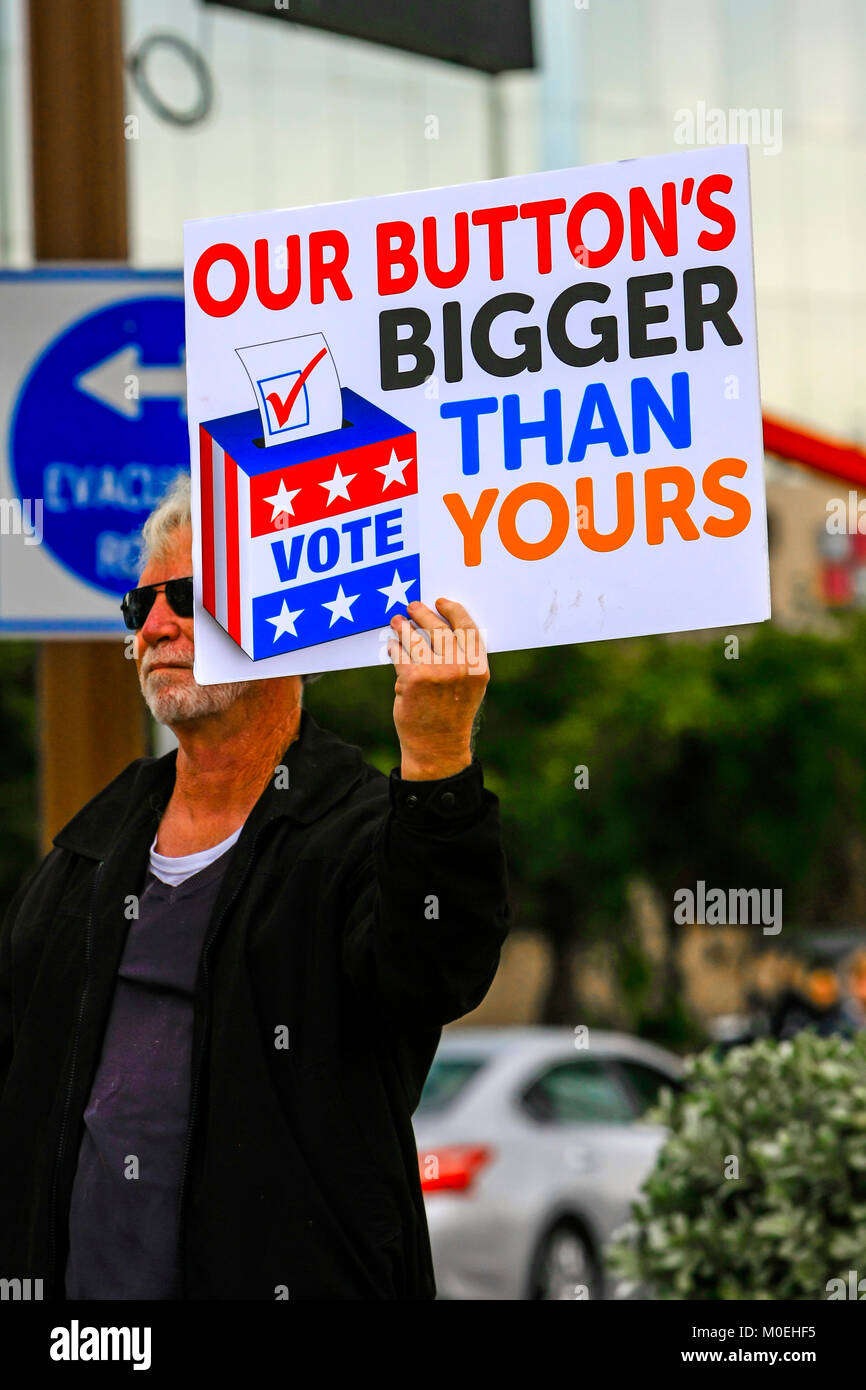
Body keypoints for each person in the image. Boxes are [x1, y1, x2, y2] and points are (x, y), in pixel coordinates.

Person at [0, 473, 511, 1300]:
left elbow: (437, 968)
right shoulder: (98, 840)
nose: (154, 627)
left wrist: (439, 758)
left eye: (187, 597)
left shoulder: (363, 828)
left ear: (289, 618)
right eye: (141, 609)